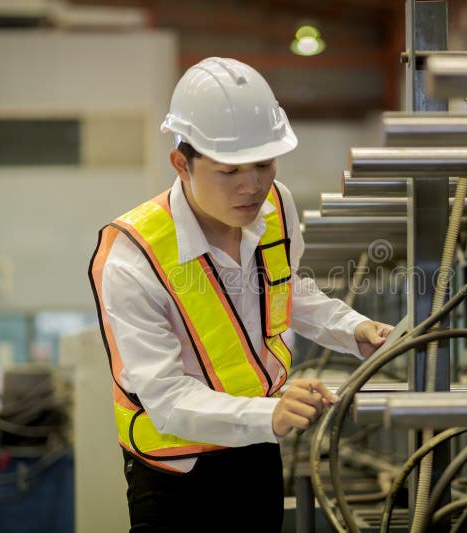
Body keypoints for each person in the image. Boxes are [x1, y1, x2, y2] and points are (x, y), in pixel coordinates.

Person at [88, 57, 393, 532]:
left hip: (255, 452)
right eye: (229, 170)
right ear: (181, 164)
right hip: (175, 474)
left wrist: (354, 328)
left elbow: (287, 287)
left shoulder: (277, 206)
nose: (252, 186)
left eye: (264, 164)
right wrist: (271, 412)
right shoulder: (134, 257)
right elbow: (167, 401)